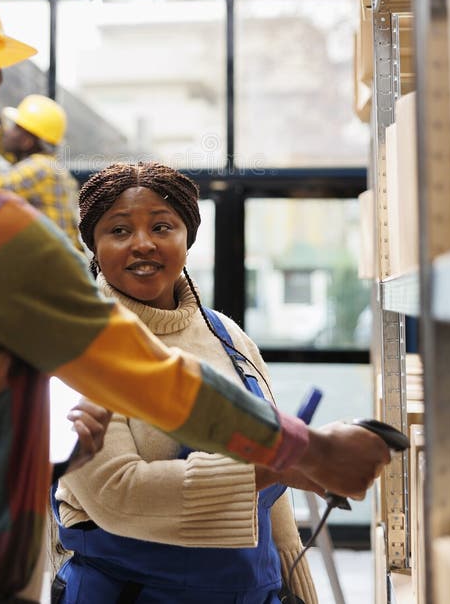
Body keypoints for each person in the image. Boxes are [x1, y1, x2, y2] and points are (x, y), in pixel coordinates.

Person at [0, 0, 390, 603]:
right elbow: (158, 385)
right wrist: (307, 451)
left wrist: (43, 462)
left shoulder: (225, 335)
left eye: (163, 227)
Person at [51, 162, 321, 604]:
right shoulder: (75, 345)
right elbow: (116, 494)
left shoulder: (229, 338)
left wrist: (299, 588)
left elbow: (275, 503)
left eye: (162, 226)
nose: (143, 244)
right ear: (94, 247)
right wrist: (274, 467)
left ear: (187, 238)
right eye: (119, 231)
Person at [0, 94, 85, 254]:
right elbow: (4, 151)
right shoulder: (50, 166)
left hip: (56, 268)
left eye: (15, 127)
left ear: (26, 141)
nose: (7, 131)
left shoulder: (40, 167)